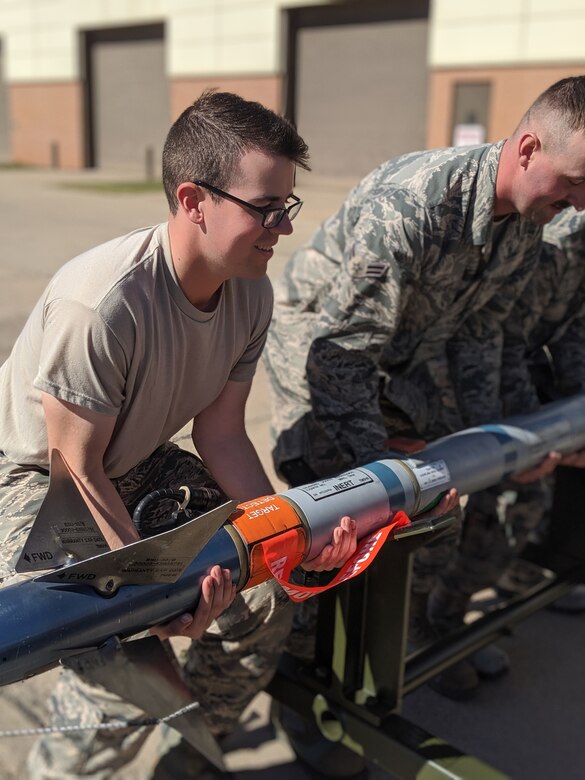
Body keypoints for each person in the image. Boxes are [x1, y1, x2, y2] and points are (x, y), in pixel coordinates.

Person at [0, 90, 357, 780]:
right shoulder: (103, 301)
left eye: (287, 205)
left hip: (124, 465)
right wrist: (151, 598)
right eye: (265, 207)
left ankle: (183, 761)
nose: (282, 226)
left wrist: (284, 530)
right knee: (116, 652)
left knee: (263, 590)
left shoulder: (249, 289)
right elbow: (74, 468)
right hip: (33, 477)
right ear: (194, 200)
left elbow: (222, 435)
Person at [264, 76, 585, 700]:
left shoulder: (522, 224)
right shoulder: (411, 207)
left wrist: (508, 443)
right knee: (339, 524)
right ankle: (305, 692)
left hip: (402, 356)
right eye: (573, 181)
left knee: (437, 507)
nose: (579, 203)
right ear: (527, 149)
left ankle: (401, 642)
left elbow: (481, 340)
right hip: (320, 354)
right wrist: (379, 462)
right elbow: (341, 355)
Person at [431, 207, 585, 641]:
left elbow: (573, 328)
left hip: (514, 371)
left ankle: (512, 572)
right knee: (512, 494)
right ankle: (442, 615)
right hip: (470, 373)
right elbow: (502, 340)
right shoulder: (560, 247)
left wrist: (576, 400)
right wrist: (528, 432)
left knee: (537, 492)